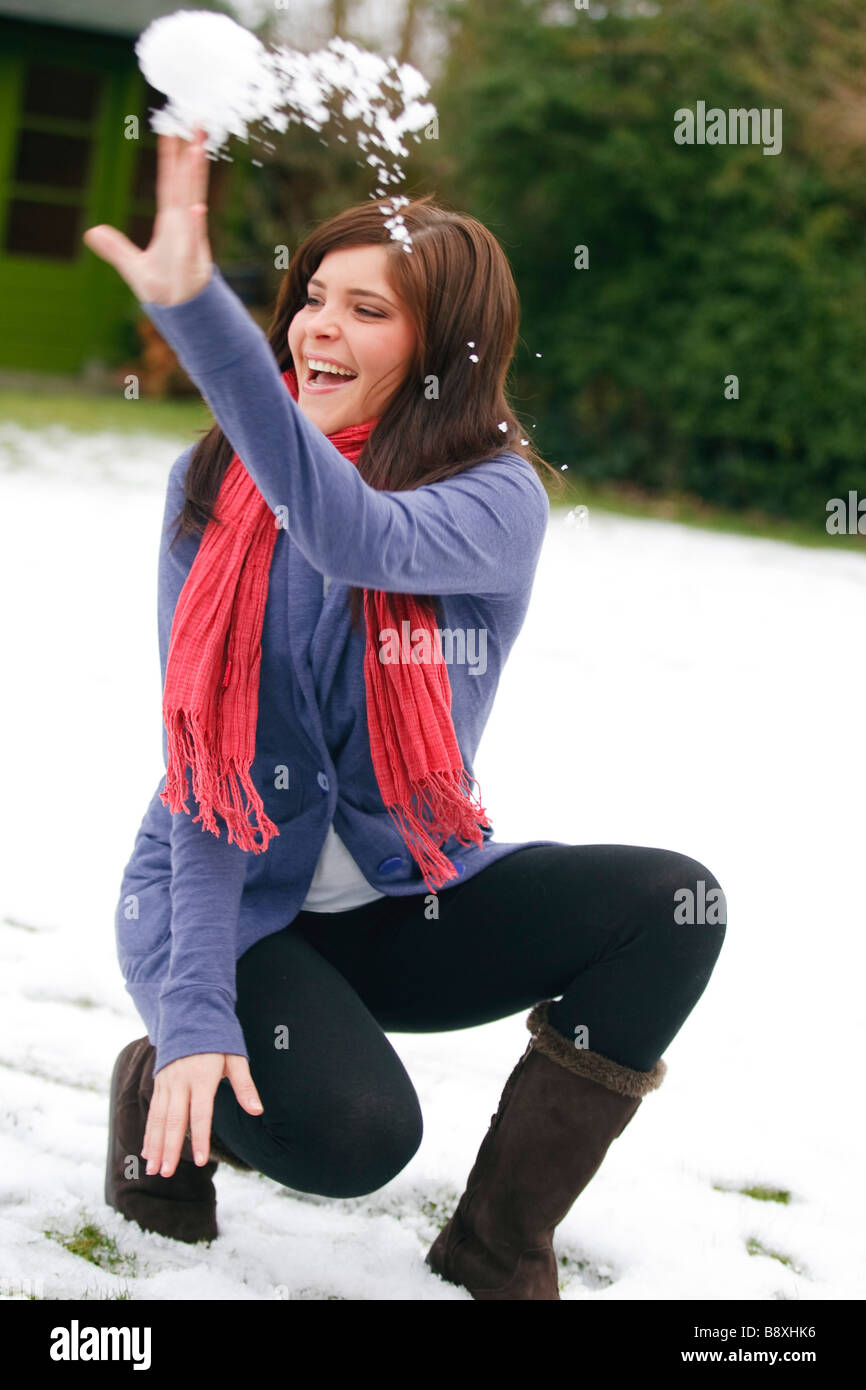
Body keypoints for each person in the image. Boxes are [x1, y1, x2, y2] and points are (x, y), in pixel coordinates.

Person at [84, 131, 726, 1301]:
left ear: (441, 349)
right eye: (310, 299)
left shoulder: (492, 499)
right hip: (233, 895)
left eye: (365, 311)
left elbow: (351, 532)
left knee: (671, 905)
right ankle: (160, 1087)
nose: (316, 329)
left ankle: (495, 1244)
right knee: (355, 1141)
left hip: (405, 888)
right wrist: (190, 1010)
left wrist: (195, 315)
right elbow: (202, 764)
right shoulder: (215, 483)